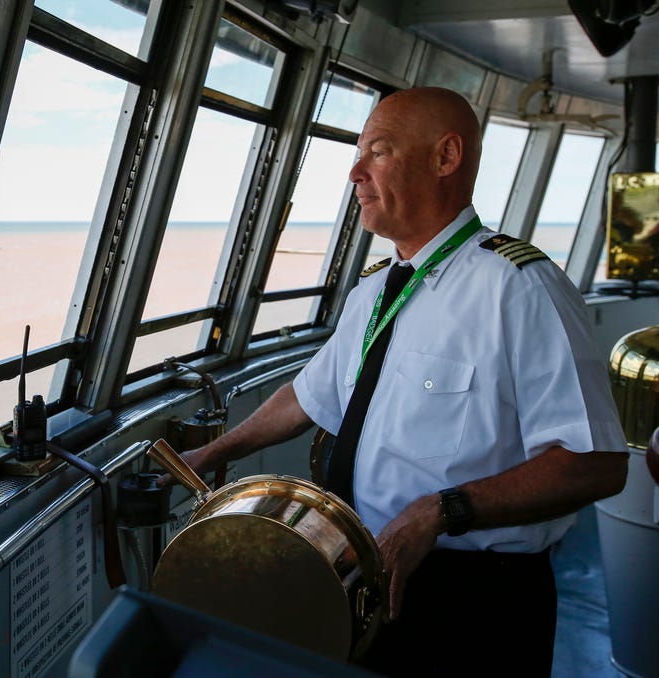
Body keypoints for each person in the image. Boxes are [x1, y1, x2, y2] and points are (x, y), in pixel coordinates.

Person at [171, 87, 629, 676]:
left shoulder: (519, 290)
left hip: (474, 601)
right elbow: (308, 397)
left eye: (379, 152)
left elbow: (595, 462)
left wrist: (442, 511)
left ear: (445, 158)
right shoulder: (375, 289)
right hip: (366, 577)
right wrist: (216, 450)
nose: (355, 173)